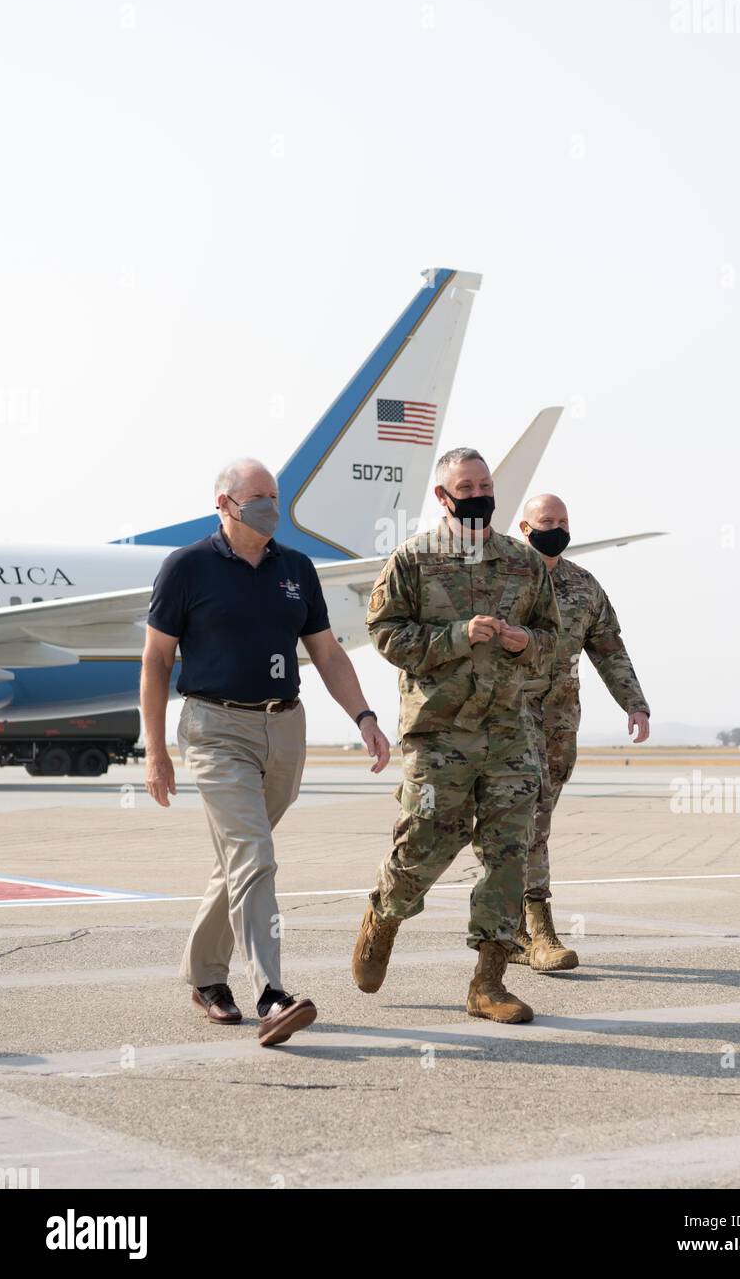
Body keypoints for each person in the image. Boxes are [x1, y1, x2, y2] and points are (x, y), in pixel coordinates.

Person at [142, 457, 390, 1047]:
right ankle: (272, 993)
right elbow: (155, 661)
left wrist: (365, 715)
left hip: (285, 727)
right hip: (214, 728)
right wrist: (156, 749)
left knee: (239, 860)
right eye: (257, 497)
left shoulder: (296, 569)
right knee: (255, 856)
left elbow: (327, 653)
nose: (270, 507)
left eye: (274, 496)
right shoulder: (187, 567)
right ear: (224, 504)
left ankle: (204, 978)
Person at [351, 448, 560, 1023]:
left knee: (507, 856)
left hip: (510, 730)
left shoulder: (523, 563)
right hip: (440, 733)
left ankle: (488, 982)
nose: (478, 493)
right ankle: (384, 917)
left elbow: (553, 637)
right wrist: (454, 637)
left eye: (485, 483)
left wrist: (526, 643)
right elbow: (384, 633)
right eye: (465, 486)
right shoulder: (413, 559)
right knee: (424, 846)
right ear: (442, 497)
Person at [512, 492, 650, 971]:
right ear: (524, 529)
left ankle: (517, 928)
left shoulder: (584, 585)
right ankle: (534, 927)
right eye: (546, 520)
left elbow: (609, 649)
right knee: (517, 820)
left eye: (563, 520)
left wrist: (634, 703)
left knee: (537, 818)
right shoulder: (500, 577)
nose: (557, 527)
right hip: (504, 716)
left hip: (559, 722)